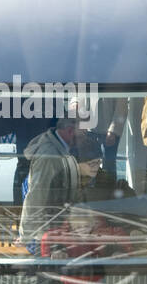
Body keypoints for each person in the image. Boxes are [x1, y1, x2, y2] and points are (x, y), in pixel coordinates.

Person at [20, 108, 102, 253]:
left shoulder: (61, 150)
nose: (85, 138)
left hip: (55, 229)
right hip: (45, 236)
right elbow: (35, 198)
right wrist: (29, 238)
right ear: (70, 131)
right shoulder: (50, 156)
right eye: (83, 133)